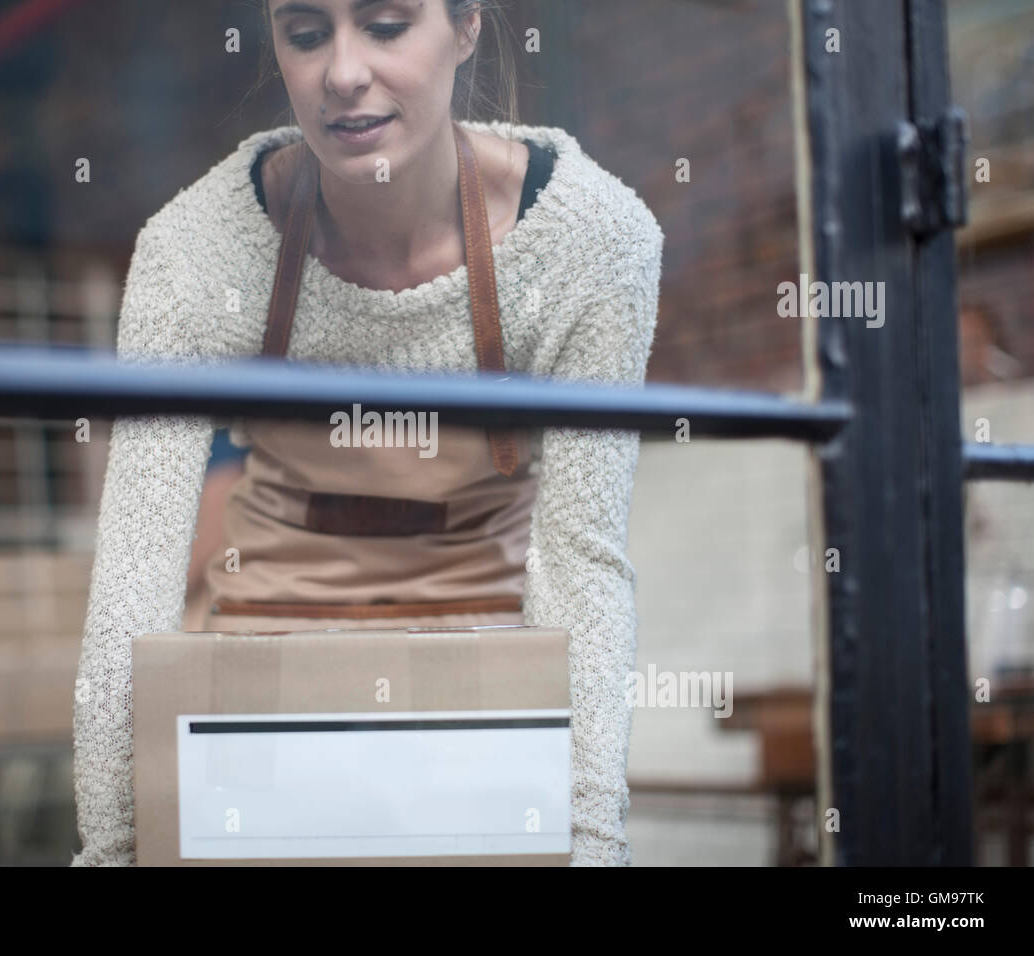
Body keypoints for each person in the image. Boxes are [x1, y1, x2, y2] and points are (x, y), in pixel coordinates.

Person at [72, 0, 663, 866]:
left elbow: (583, 568)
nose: (342, 72)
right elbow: (132, 574)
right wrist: (112, 849)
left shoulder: (590, 246)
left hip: (491, 685)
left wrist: (591, 844)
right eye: (306, 34)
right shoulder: (194, 253)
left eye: (385, 24)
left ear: (467, 27)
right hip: (267, 684)